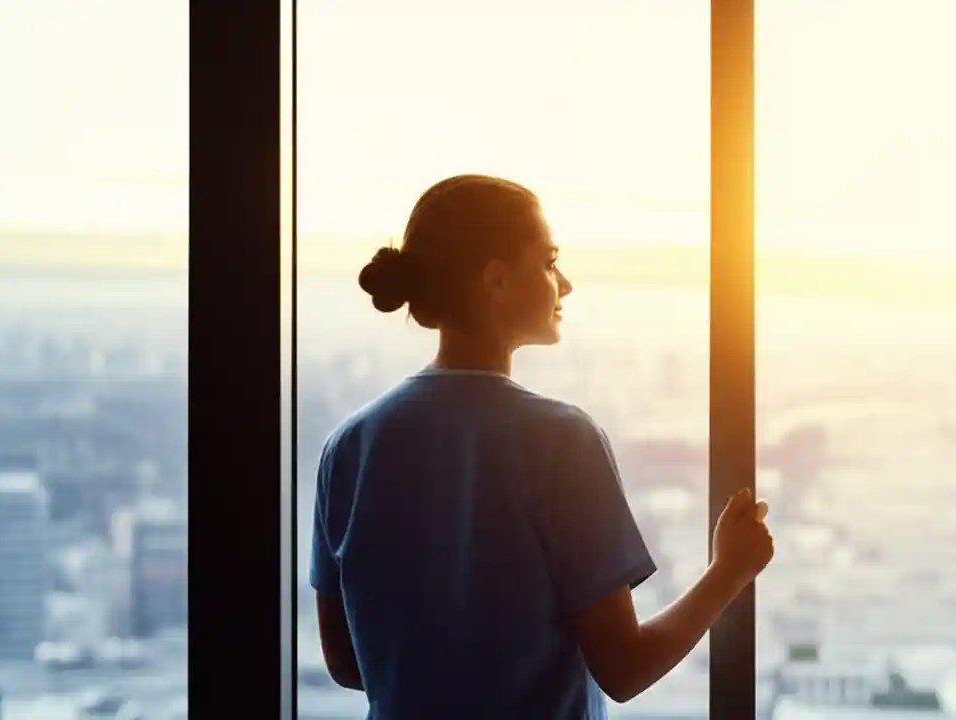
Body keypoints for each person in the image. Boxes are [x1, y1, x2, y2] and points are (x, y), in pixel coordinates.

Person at [310, 174, 774, 719]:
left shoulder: (349, 447)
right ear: (498, 282)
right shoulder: (562, 442)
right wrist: (729, 573)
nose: (566, 285)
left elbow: (343, 661)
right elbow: (624, 669)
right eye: (550, 263)